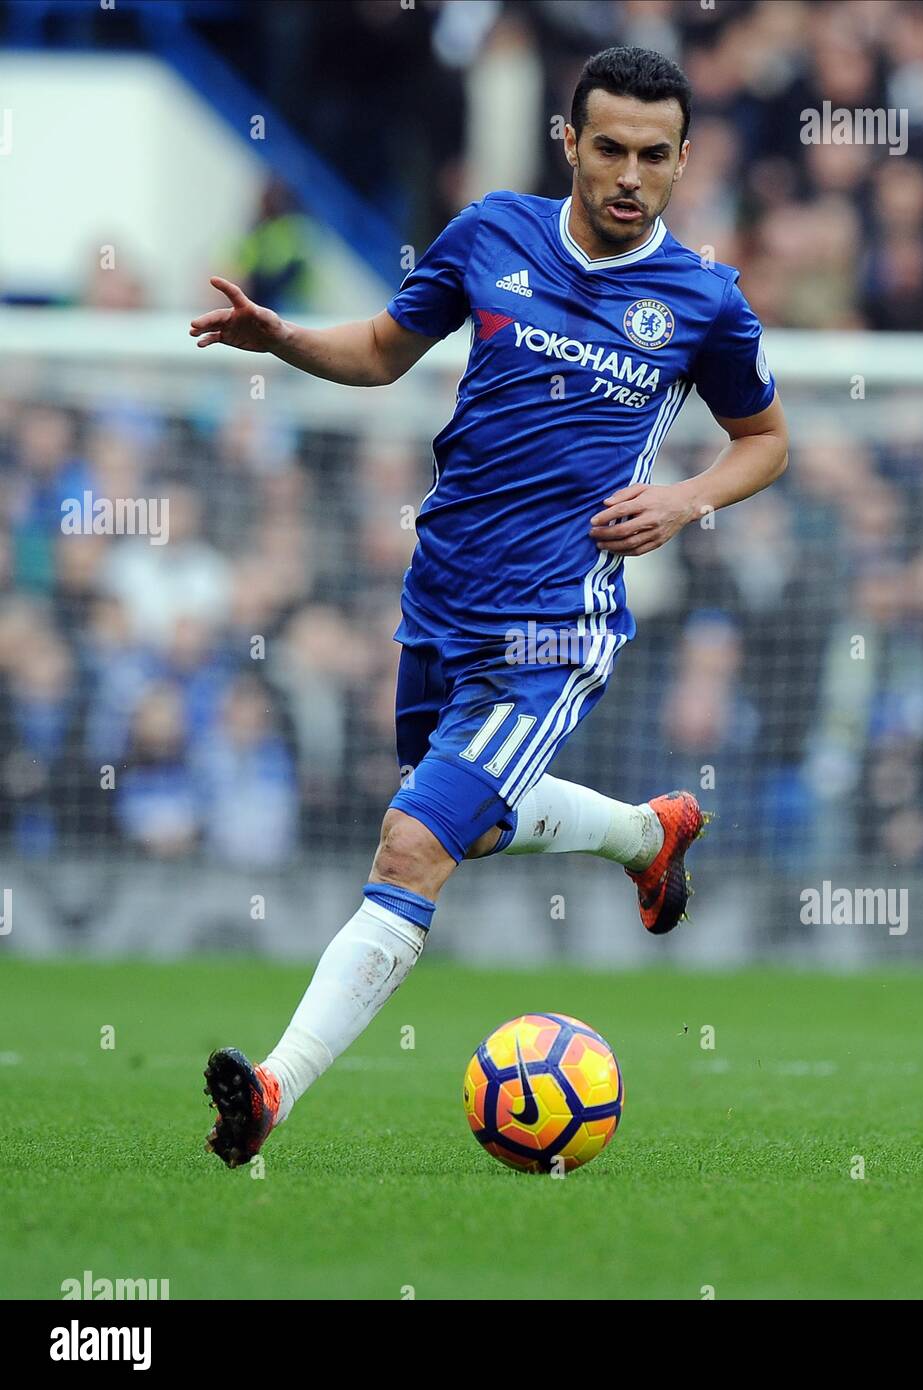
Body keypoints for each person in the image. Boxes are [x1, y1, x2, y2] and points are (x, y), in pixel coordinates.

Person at [188, 46, 788, 1169]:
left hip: (552, 629)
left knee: (415, 838)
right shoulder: (488, 235)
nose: (628, 175)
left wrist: (686, 500)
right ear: (568, 142)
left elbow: (764, 442)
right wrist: (281, 341)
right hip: (440, 598)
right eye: (606, 147)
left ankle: (271, 1089)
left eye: (653, 156)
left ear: (681, 161)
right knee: (472, 813)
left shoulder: (702, 298)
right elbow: (377, 350)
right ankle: (641, 834)